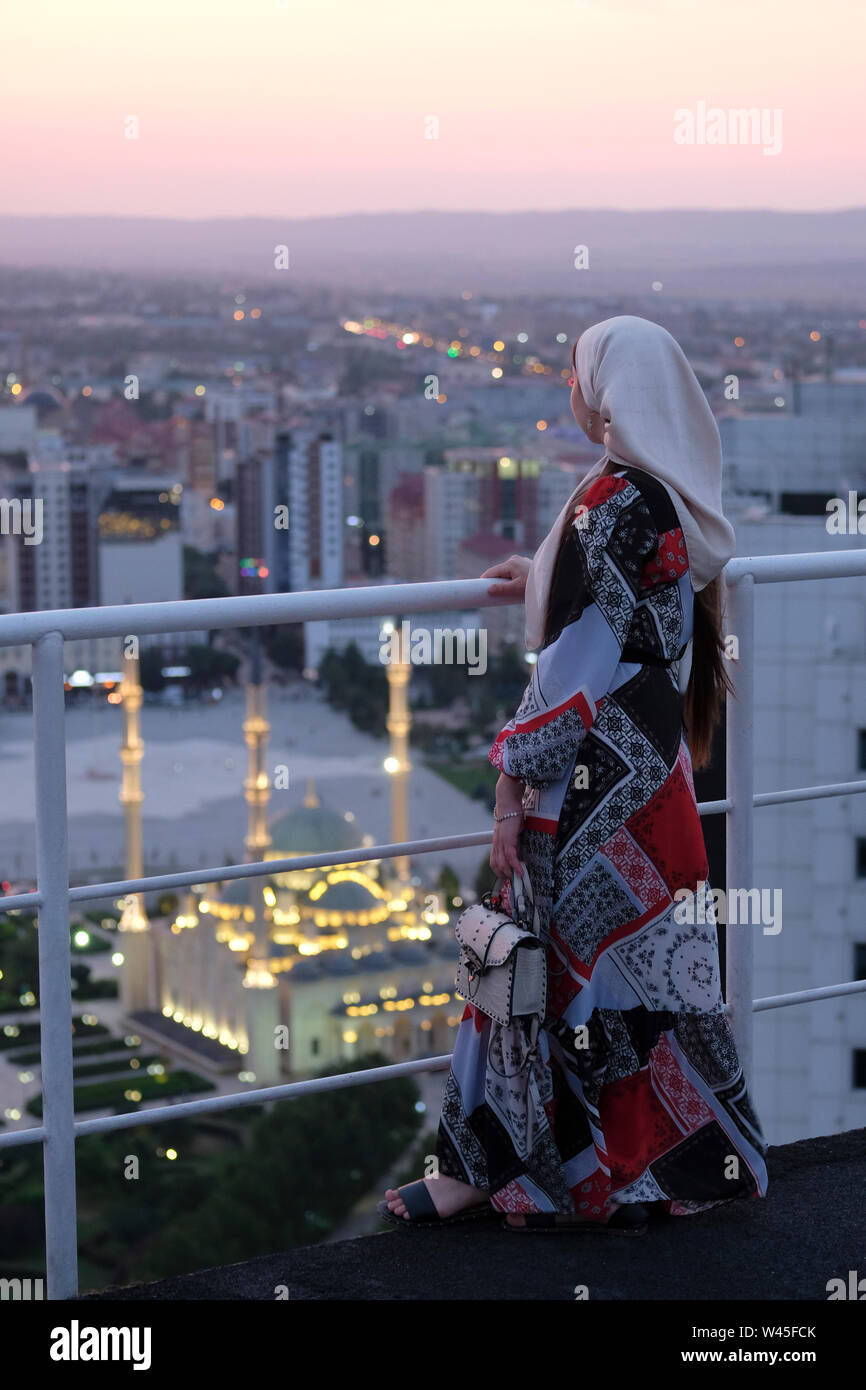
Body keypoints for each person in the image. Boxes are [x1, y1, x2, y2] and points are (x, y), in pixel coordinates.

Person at [380, 314, 768, 1231]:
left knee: (529, 973)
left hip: (587, 797)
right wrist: (546, 573)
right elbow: (627, 628)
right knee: (647, 981)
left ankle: (495, 1171)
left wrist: (512, 788)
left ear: (606, 391)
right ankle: (662, 1165)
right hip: (654, 787)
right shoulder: (657, 496)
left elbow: (576, 672)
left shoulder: (610, 505)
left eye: (573, 373)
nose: (567, 387)